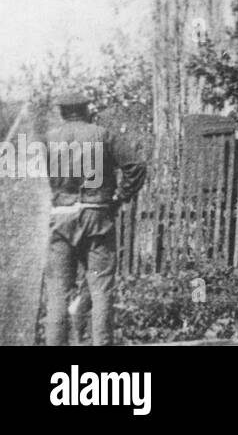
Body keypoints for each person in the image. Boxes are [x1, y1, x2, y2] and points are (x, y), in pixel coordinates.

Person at [44, 92, 147, 346]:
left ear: (62, 112)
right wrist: (119, 197)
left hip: (61, 217)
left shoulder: (49, 140)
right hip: (97, 215)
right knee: (101, 290)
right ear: (86, 109)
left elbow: (48, 179)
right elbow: (136, 167)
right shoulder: (104, 134)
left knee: (57, 292)